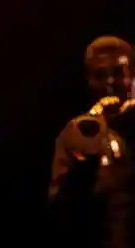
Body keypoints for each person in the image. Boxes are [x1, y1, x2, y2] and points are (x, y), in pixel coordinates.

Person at [47, 35, 134, 248]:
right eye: (101, 75)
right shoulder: (75, 135)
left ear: (133, 76)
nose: (110, 83)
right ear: (88, 80)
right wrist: (85, 159)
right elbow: (60, 210)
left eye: (118, 73)